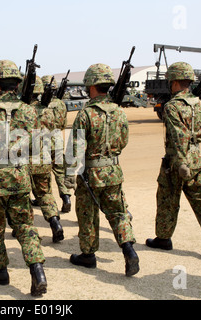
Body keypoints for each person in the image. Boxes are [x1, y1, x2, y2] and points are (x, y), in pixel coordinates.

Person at [0, 60, 47, 296]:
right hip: (20, 176)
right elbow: (36, 147)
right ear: (17, 84)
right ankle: (37, 270)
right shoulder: (29, 110)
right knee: (25, 226)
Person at [146, 62, 201, 256]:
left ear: (174, 81)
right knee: (200, 197)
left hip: (177, 160)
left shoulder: (172, 106)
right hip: (196, 157)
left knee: (167, 199)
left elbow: (177, 136)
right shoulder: (200, 104)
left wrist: (180, 162)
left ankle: (163, 239)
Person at [64, 63, 139, 277]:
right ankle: (129, 250)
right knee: (118, 213)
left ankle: (88, 255)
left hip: (91, 175)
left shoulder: (86, 114)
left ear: (91, 86)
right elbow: (123, 141)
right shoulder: (120, 112)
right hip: (114, 171)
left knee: (88, 215)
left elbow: (75, 149)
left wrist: (69, 176)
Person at [29, 76, 64, 243]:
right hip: (44, 157)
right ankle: (55, 222)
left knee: (22, 196)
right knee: (45, 193)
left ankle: (23, 228)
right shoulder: (48, 111)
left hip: (26, 159)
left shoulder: (22, 110)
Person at [41, 75, 71, 213]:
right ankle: (66, 197)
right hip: (58, 138)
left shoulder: (40, 104)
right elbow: (64, 124)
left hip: (43, 141)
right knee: (60, 172)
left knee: (43, 174)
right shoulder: (61, 104)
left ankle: (45, 199)